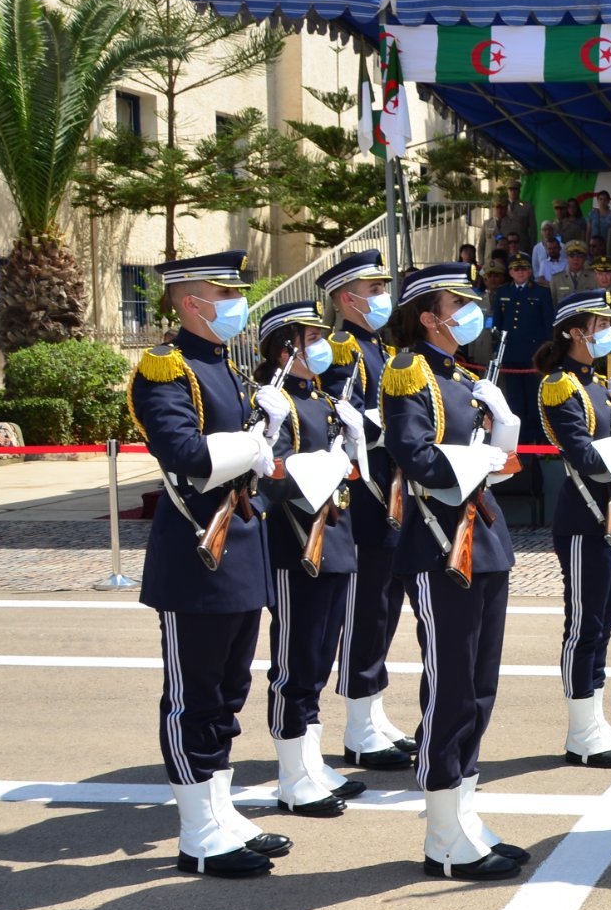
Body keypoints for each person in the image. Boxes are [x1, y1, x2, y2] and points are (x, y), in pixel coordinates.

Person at [130, 251, 286, 877]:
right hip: (197, 549)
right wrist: (254, 443)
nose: (234, 305)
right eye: (224, 294)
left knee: (227, 692)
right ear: (192, 302)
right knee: (191, 696)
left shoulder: (225, 369)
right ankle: (196, 830)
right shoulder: (166, 370)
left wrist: (265, 445)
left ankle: (219, 812)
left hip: (242, 546)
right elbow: (185, 453)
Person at [382, 262, 524, 880]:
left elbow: (496, 463)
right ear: (427, 317)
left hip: (483, 538)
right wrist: (483, 452)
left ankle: (463, 814)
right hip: (441, 544)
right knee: (450, 689)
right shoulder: (408, 373)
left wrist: (505, 429)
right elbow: (413, 456)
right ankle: (442, 832)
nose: (469, 313)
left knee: (481, 686)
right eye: (457, 304)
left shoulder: (463, 379)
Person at [246, 300, 370, 823]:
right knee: (294, 664)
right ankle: (292, 774)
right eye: (309, 339)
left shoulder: (321, 403)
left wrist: (354, 441)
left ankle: (313, 761)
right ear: (284, 350)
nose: (321, 347)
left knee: (320, 660)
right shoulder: (274, 405)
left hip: (335, 542)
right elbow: (264, 478)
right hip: (296, 546)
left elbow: (356, 475)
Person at [316, 250, 418, 770]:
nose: (382, 296)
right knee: (364, 611)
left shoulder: (376, 346)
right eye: (372, 289)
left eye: (383, 286)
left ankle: (373, 713)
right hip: (363, 496)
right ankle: (358, 727)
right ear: (345, 298)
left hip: (390, 493)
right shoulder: (339, 348)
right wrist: (387, 423)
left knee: (383, 607)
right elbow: (337, 411)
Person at [535, 288, 611, 769]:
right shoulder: (560, 385)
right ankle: (581, 731)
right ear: (574, 332)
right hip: (585, 517)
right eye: (598, 325)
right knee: (584, 625)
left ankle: (595, 721)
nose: (605, 333)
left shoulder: (600, 385)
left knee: (604, 625)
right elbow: (586, 458)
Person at [490, 253, 554, 424]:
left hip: (533, 354)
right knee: (514, 399)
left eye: (524, 269)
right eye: (516, 269)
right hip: (510, 353)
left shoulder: (541, 292)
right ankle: (519, 439)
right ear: (510, 272)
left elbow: (548, 324)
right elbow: (497, 324)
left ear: (530, 271)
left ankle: (534, 441)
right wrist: (496, 350)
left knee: (534, 399)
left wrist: (548, 352)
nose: (520, 272)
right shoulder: (503, 291)